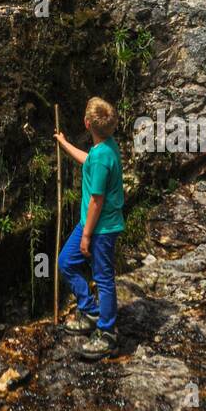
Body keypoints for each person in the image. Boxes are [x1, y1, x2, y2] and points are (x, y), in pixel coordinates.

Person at [55, 96, 125, 360]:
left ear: (87, 123)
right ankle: (91, 310)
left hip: (101, 228)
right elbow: (90, 160)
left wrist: (86, 236)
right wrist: (64, 144)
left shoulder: (102, 156)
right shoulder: (106, 147)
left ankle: (107, 334)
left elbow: (97, 200)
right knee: (66, 262)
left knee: (104, 278)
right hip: (92, 224)